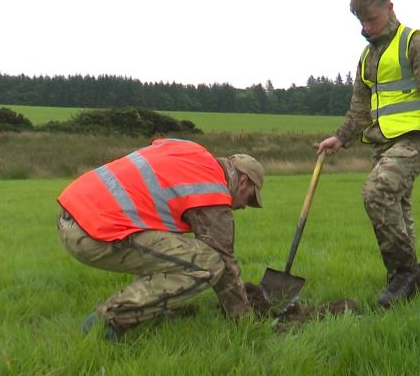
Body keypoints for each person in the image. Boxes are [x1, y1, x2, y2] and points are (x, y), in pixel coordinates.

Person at [317, 0, 420, 308]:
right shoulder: (368, 57)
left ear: (390, 8)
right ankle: (408, 284)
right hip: (382, 144)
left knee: (376, 193)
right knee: (399, 209)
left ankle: (406, 273)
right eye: (361, 22)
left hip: (414, 138)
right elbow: (359, 109)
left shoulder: (415, 43)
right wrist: (340, 137)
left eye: (372, 20)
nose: (366, 28)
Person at [56, 138, 264, 341]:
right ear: (242, 181)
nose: (244, 206)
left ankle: (155, 311)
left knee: (176, 248)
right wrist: (243, 320)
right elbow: (224, 262)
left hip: (73, 213)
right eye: (249, 198)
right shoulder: (212, 189)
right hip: (93, 232)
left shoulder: (191, 153)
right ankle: (110, 318)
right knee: (210, 263)